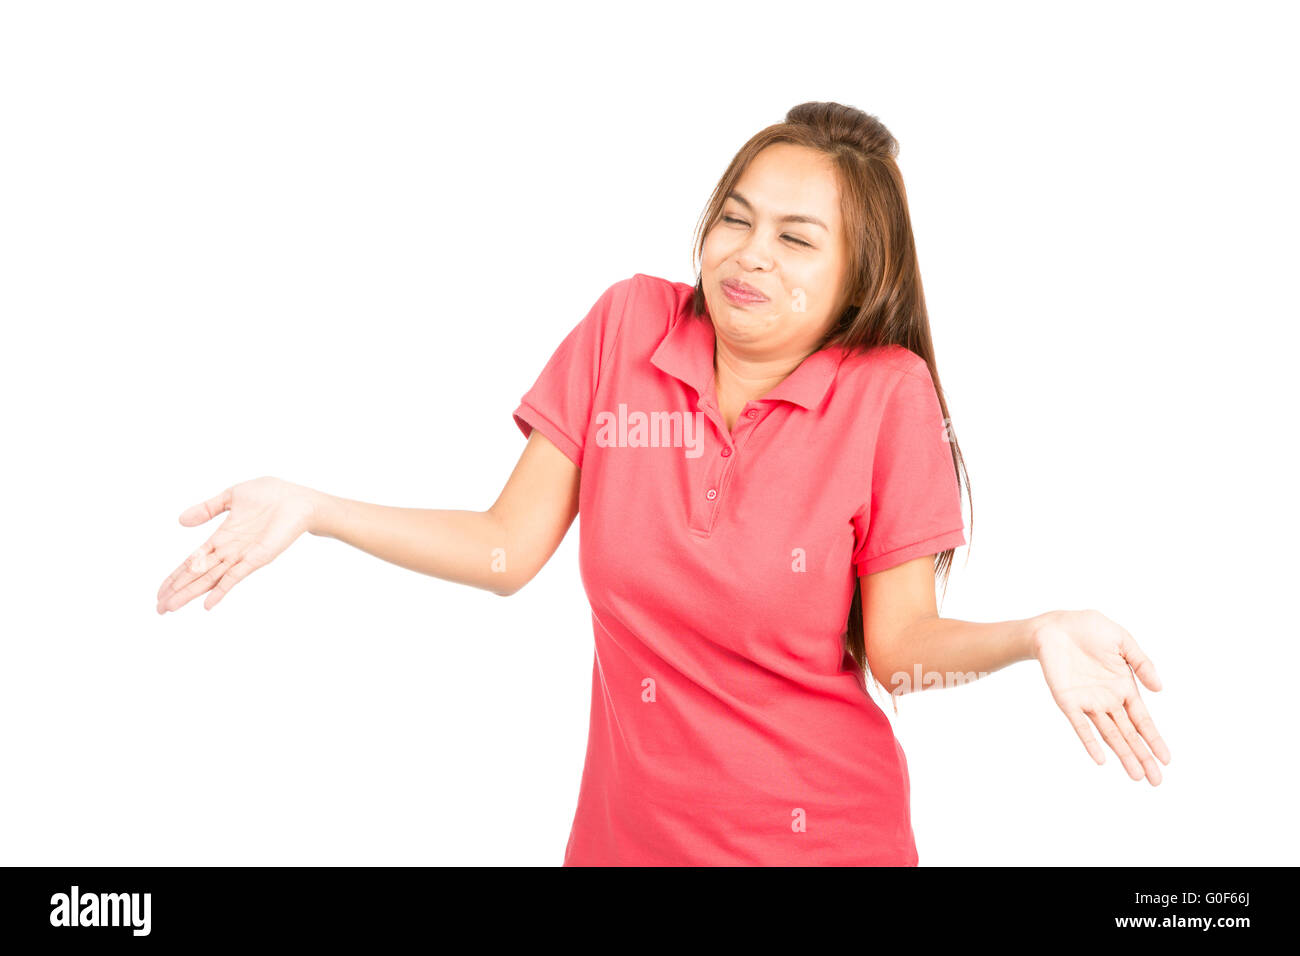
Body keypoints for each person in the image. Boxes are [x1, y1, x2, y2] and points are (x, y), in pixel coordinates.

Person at [155, 101, 1171, 866]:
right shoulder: (627, 328)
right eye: (735, 218)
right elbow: (508, 548)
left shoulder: (886, 395)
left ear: (861, 274)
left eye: (795, 238)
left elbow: (901, 649)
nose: (748, 254)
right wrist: (317, 508)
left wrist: (1034, 630)